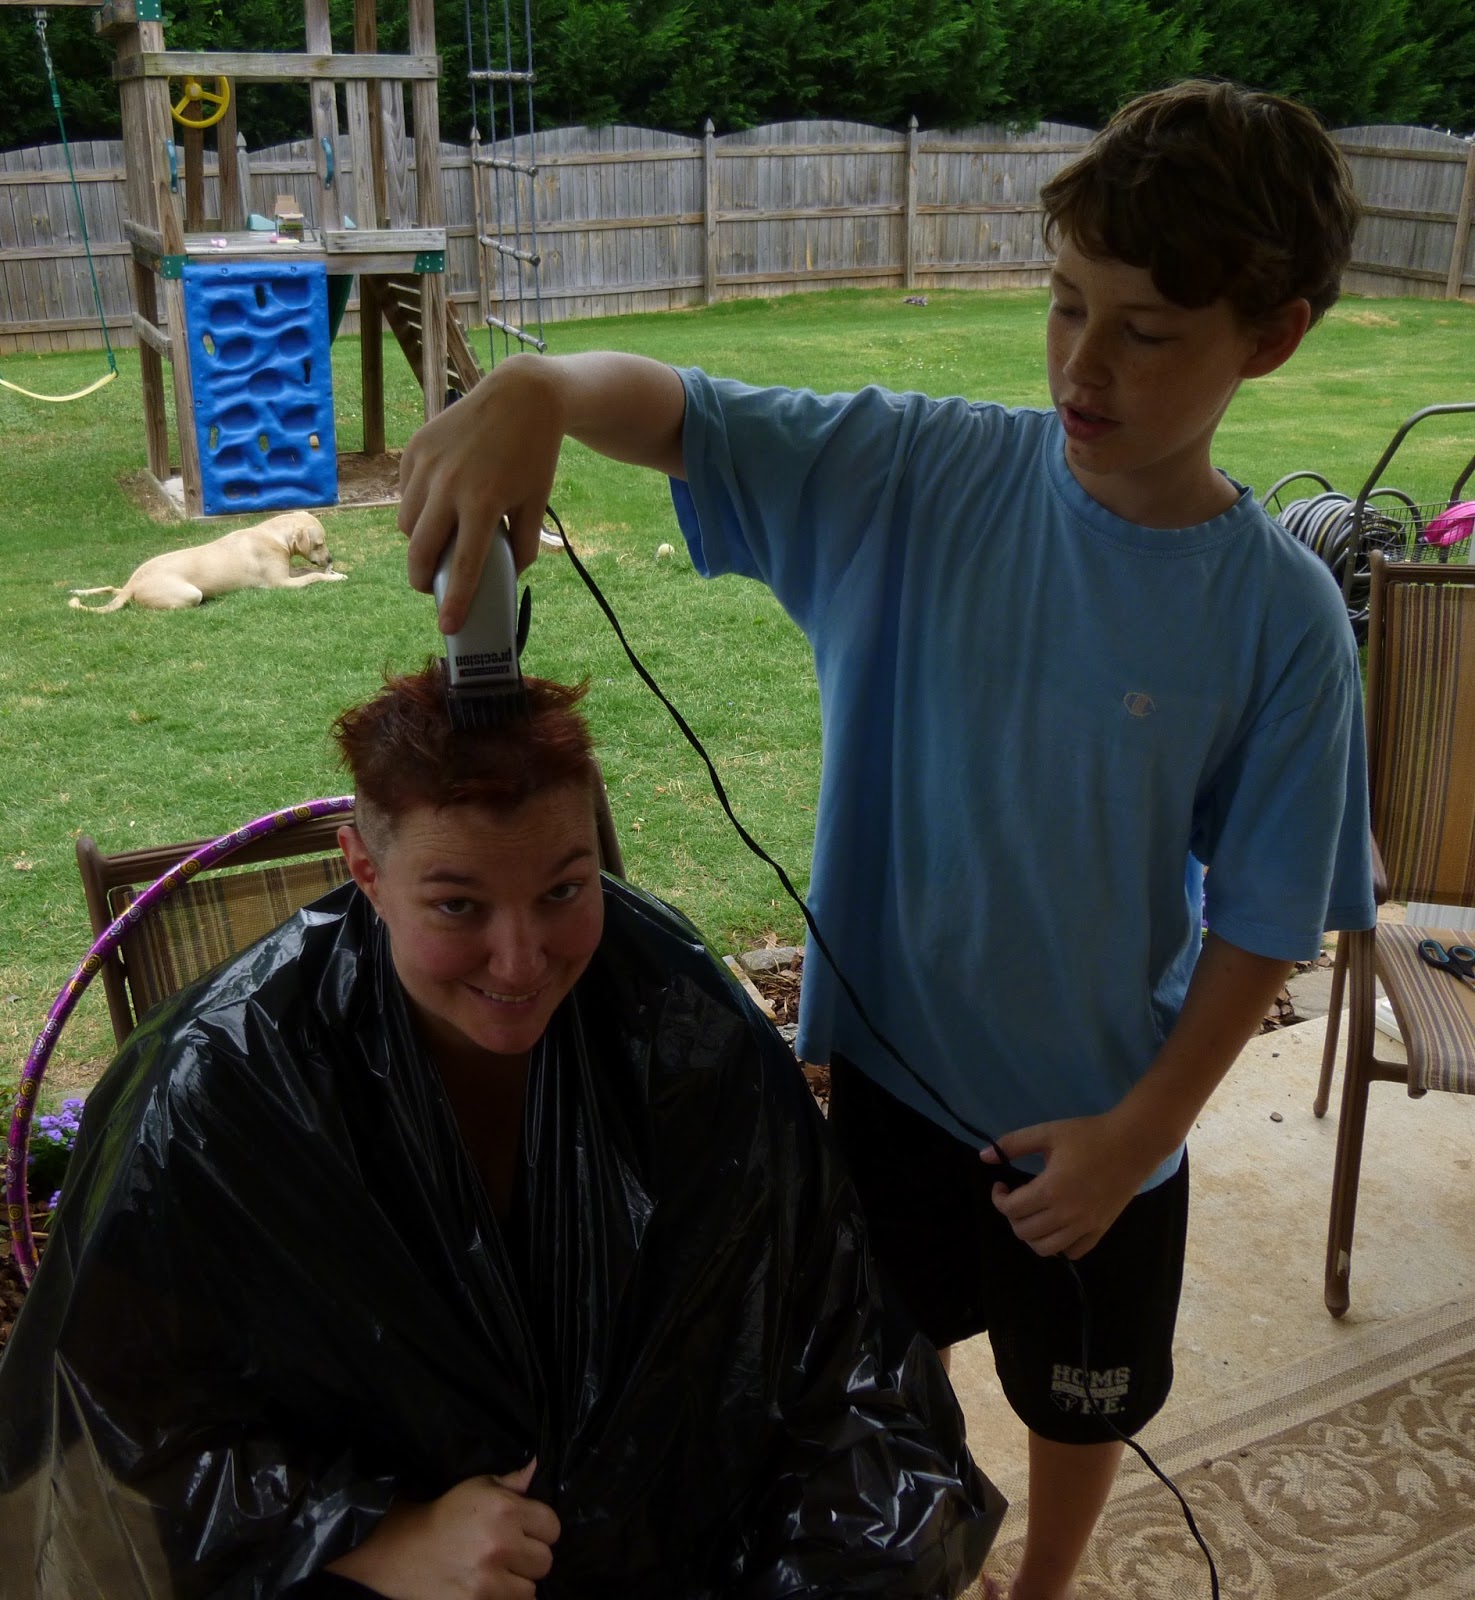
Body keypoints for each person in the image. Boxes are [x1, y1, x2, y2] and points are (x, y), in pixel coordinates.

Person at [393, 80, 1378, 1598]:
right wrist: (540, 395)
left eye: (1144, 329)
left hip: (1100, 1124)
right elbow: (682, 413)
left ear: (1270, 336)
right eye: (1062, 306)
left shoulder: (1279, 621)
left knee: (1077, 1394)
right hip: (885, 1098)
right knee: (864, 1373)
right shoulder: (914, 476)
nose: (1081, 364)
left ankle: (1042, 1580)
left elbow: (1262, 920)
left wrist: (1139, 1136)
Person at [0, 668, 1001, 1599]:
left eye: (564, 890)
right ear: (364, 867)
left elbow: (829, 1355)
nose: (519, 961)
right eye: (457, 904)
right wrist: (378, 1536)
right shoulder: (225, 1086)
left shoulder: (679, 1030)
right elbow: (122, 1431)